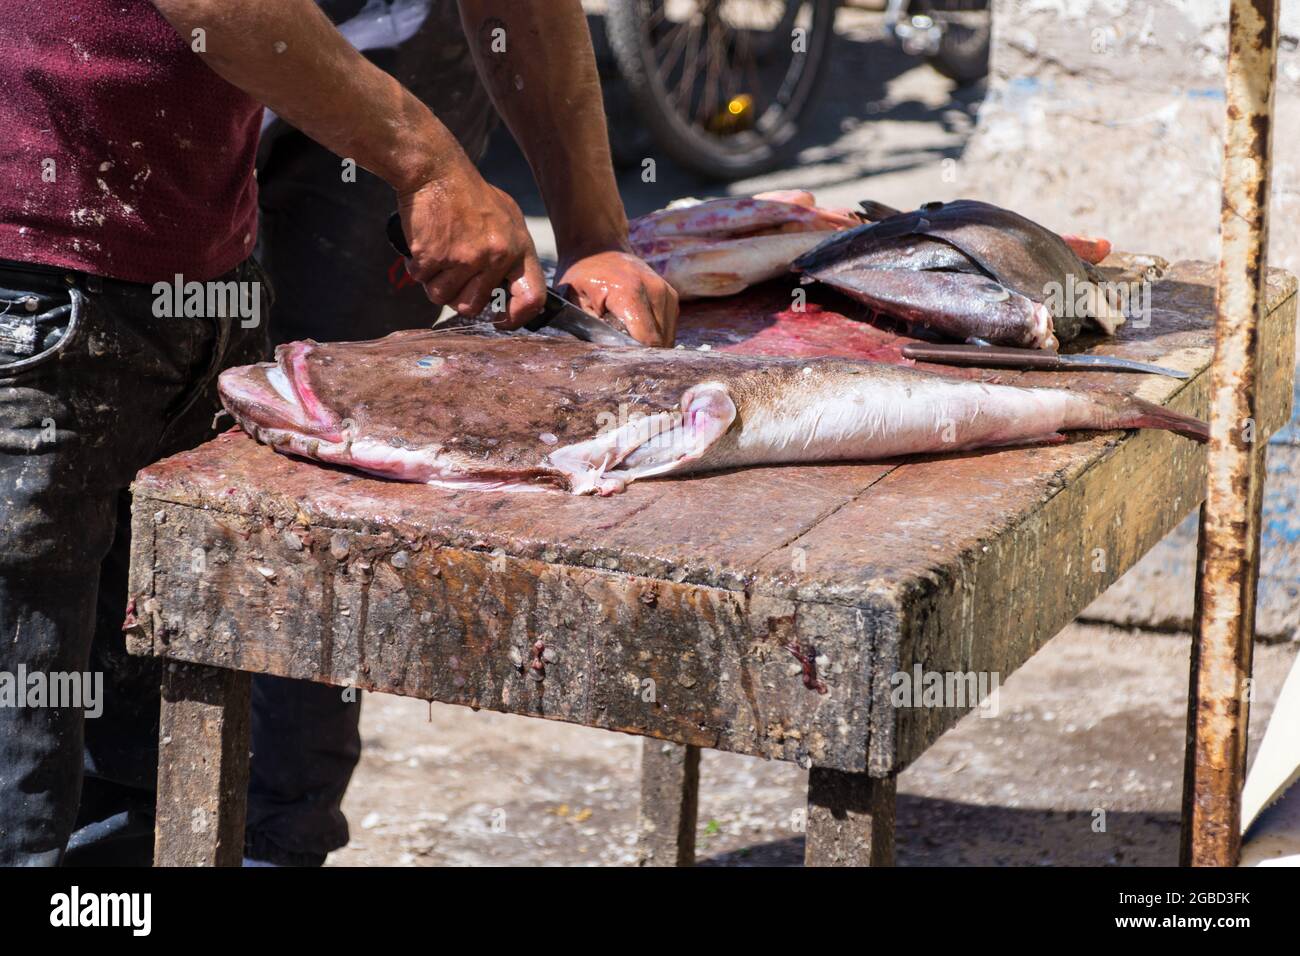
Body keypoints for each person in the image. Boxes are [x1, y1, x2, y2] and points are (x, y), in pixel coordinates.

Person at [0, 0, 677, 866]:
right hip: (36, 285)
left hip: (191, 277)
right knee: (25, 789)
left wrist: (595, 236)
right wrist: (429, 165)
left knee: (148, 779)